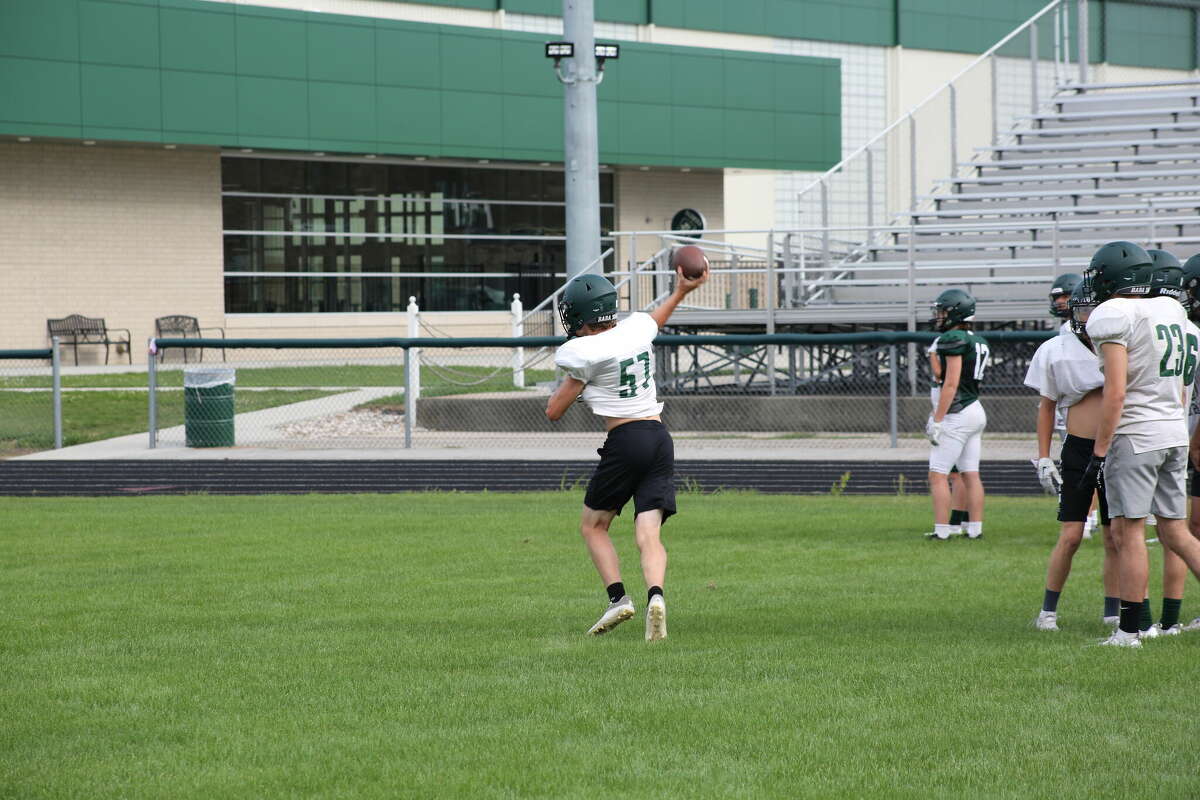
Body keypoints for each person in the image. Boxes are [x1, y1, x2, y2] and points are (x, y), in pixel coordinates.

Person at [547, 262, 707, 641]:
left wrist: (580, 381)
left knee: (593, 525)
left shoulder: (583, 351)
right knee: (648, 533)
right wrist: (682, 291)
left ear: (581, 317)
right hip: (658, 437)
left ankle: (618, 598)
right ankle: (657, 596)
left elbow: (554, 411)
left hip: (625, 440)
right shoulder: (635, 328)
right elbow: (657, 319)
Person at [1082, 241, 1200, 647]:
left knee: (1127, 531)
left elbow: (1115, 393)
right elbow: (1182, 391)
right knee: (1178, 533)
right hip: (1173, 431)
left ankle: (1130, 630)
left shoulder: (1113, 314)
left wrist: (1099, 450)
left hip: (1137, 433)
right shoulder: (1173, 312)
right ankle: (1139, 625)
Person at [1027, 280, 1120, 631]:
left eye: (1096, 310)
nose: (1089, 317)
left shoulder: (1118, 343)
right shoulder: (1056, 349)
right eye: (1084, 310)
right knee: (1071, 534)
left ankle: (1113, 610)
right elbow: (1047, 406)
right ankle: (1048, 611)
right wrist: (1043, 456)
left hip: (1117, 446)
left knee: (1115, 535)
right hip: (1079, 447)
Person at [1144, 250, 1200, 636]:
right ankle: (1167, 617)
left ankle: (1144, 620)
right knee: (1183, 528)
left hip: (1173, 436)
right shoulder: (1187, 327)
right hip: (1180, 435)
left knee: (1171, 531)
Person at [925, 289, 989, 541]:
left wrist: (938, 418)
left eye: (942, 311)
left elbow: (950, 382)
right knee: (970, 473)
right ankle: (975, 528)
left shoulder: (953, 338)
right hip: (975, 408)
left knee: (938, 474)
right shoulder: (979, 340)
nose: (938, 316)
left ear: (954, 312)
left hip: (958, 411)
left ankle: (942, 531)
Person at [928, 339, 970, 535]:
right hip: (965, 410)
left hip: (953, 414)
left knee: (950, 473)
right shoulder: (971, 340)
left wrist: (931, 355)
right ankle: (968, 522)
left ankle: (950, 525)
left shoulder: (947, 341)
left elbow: (940, 374)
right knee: (966, 471)